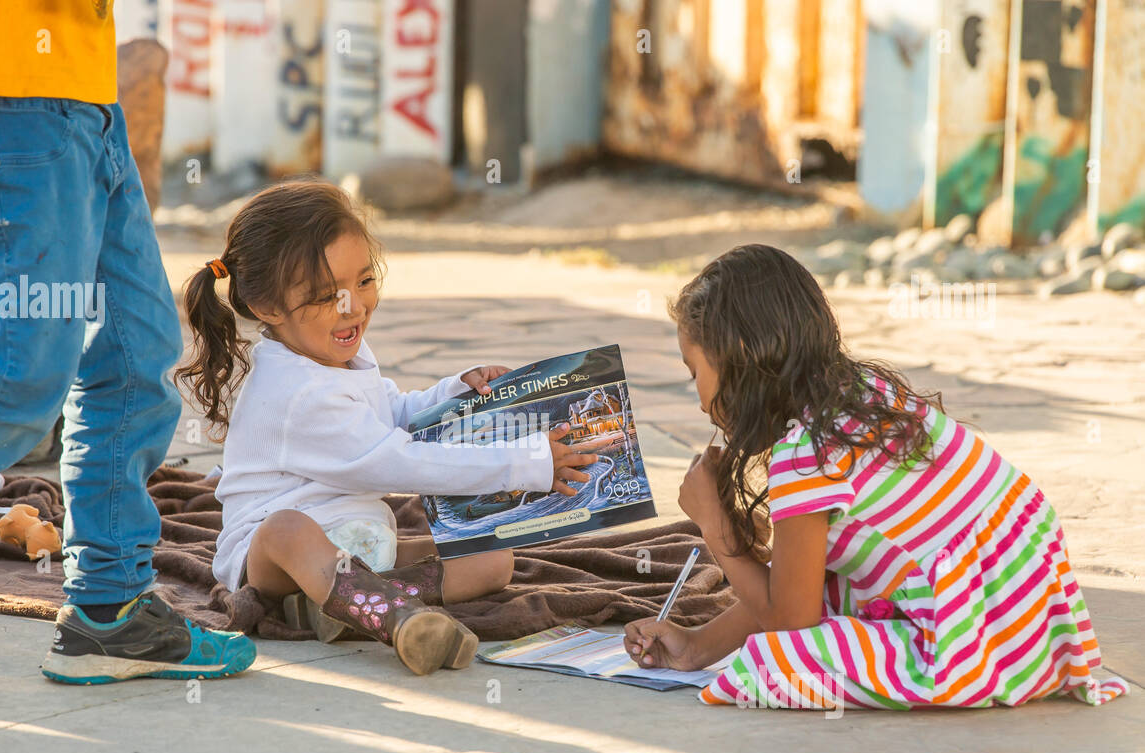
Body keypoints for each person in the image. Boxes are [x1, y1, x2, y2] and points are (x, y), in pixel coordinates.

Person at [0, 2, 257, 687]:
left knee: (133, 359)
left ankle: (109, 605)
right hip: (0, 105)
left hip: (86, 106)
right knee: (21, 371)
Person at [624, 244, 1128, 709]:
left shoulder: (805, 454)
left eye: (695, 373)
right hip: (1031, 619)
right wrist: (693, 648)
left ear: (738, 354)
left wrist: (715, 525)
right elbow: (799, 585)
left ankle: (944, 666)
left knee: (769, 665)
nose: (697, 397)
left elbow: (787, 622)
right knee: (831, 585)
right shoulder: (863, 394)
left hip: (973, 639)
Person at [178, 179, 601, 675]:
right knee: (289, 529)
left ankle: (335, 602)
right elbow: (399, 459)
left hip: (360, 542)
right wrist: (522, 462)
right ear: (267, 306)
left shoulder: (338, 352)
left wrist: (453, 393)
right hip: (272, 557)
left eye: (363, 281)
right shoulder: (297, 393)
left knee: (492, 560)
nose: (352, 307)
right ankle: (399, 620)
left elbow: (391, 412)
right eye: (324, 295)